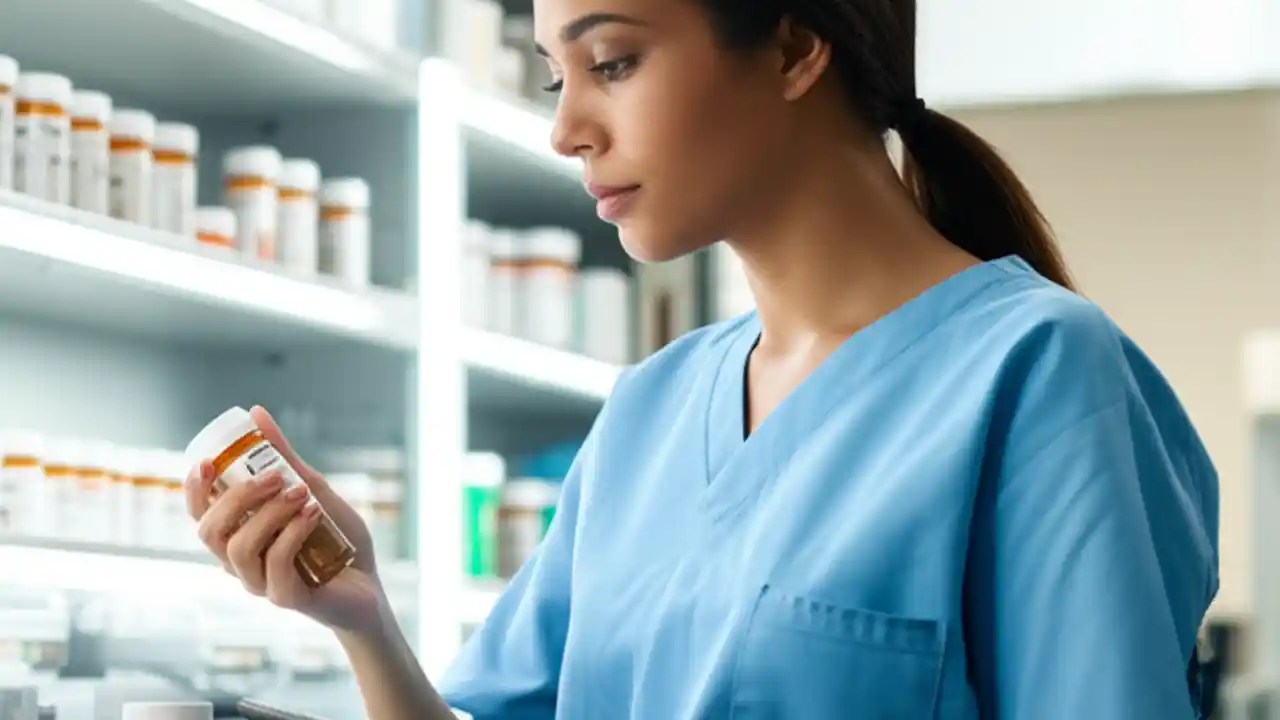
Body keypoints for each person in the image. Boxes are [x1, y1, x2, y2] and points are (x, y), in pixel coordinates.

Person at [185, 0, 1219, 717]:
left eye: (612, 63)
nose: (565, 129)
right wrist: (362, 622)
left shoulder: (1035, 374)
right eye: (555, 76)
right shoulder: (651, 409)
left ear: (791, 49)